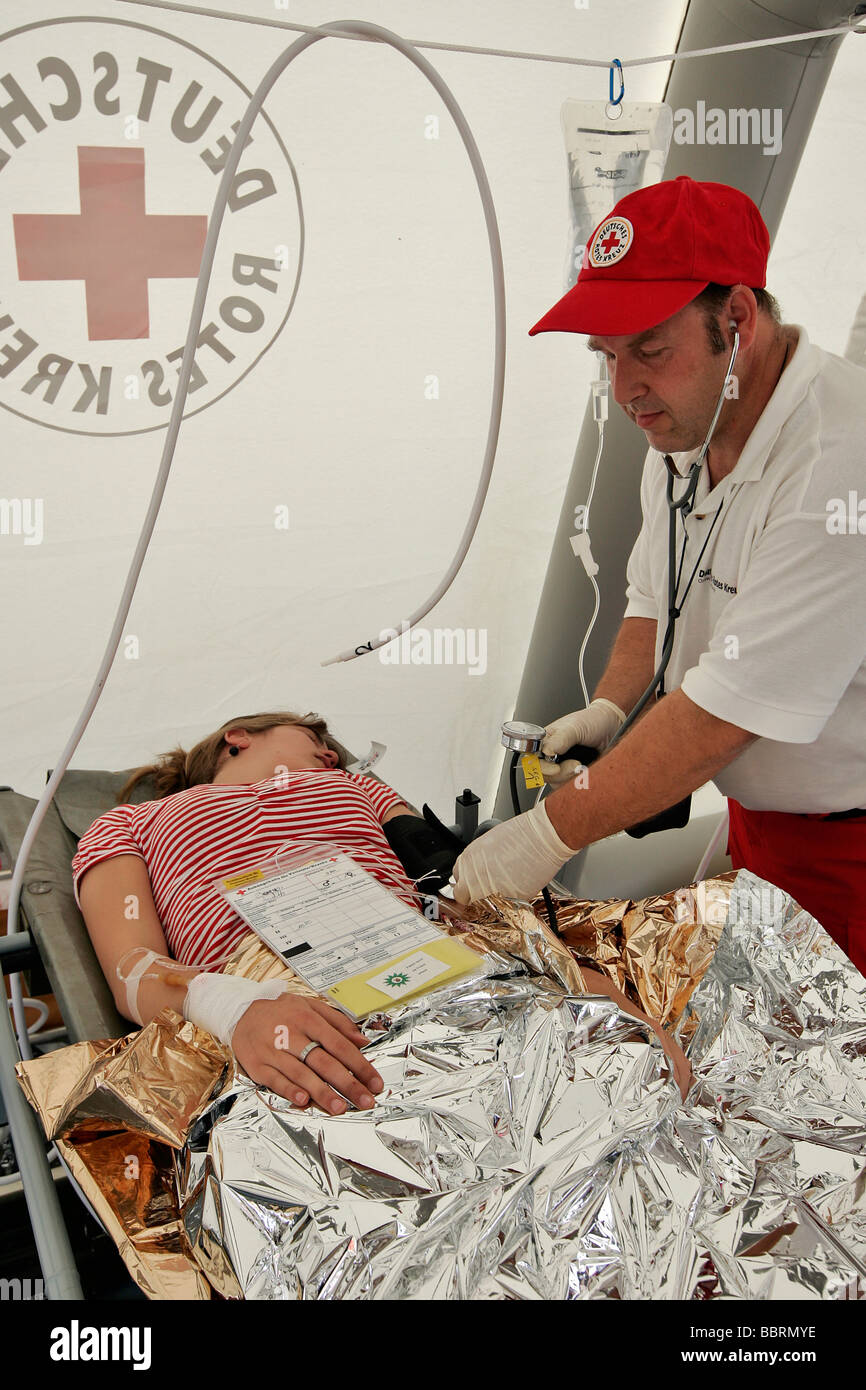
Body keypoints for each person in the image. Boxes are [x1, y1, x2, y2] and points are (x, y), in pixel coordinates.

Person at [451, 176, 866, 976]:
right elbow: (655, 597)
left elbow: (721, 715)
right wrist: (614, 704)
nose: (626, 389)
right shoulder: (688, 428)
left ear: (736, 320)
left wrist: (548, 833)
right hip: (766, 823)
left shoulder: (839, 463)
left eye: (649, 349)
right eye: (607, 356)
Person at [72, 711, 425, 1116]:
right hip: (277, 1014)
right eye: (313, 738)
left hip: (423, 965)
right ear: (238, 737)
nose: (330, 754)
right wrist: (237, 1009)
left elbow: (443, 865)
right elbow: (132, 967)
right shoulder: (128, 824)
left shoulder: (354, 784)